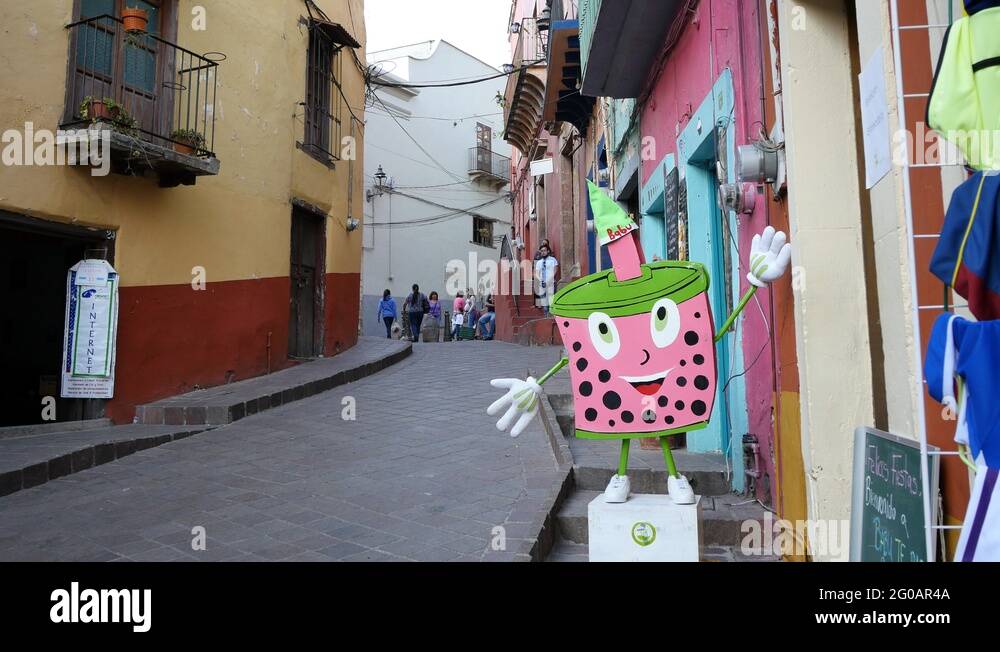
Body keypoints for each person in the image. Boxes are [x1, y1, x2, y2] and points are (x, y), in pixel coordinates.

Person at [534, 243, 558, 315]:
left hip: (551, 283)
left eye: (544, 250)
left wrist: (549, 279)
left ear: (548, 251)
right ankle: (546, 317)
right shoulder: (539, 262)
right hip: (542, 284)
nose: (543, 252)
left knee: (551, 302)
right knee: (544, 304)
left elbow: (555, 270)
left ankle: (552, 317)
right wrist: (540, 280)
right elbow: (536, 273)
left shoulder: (553, 260)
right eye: (541, 251)